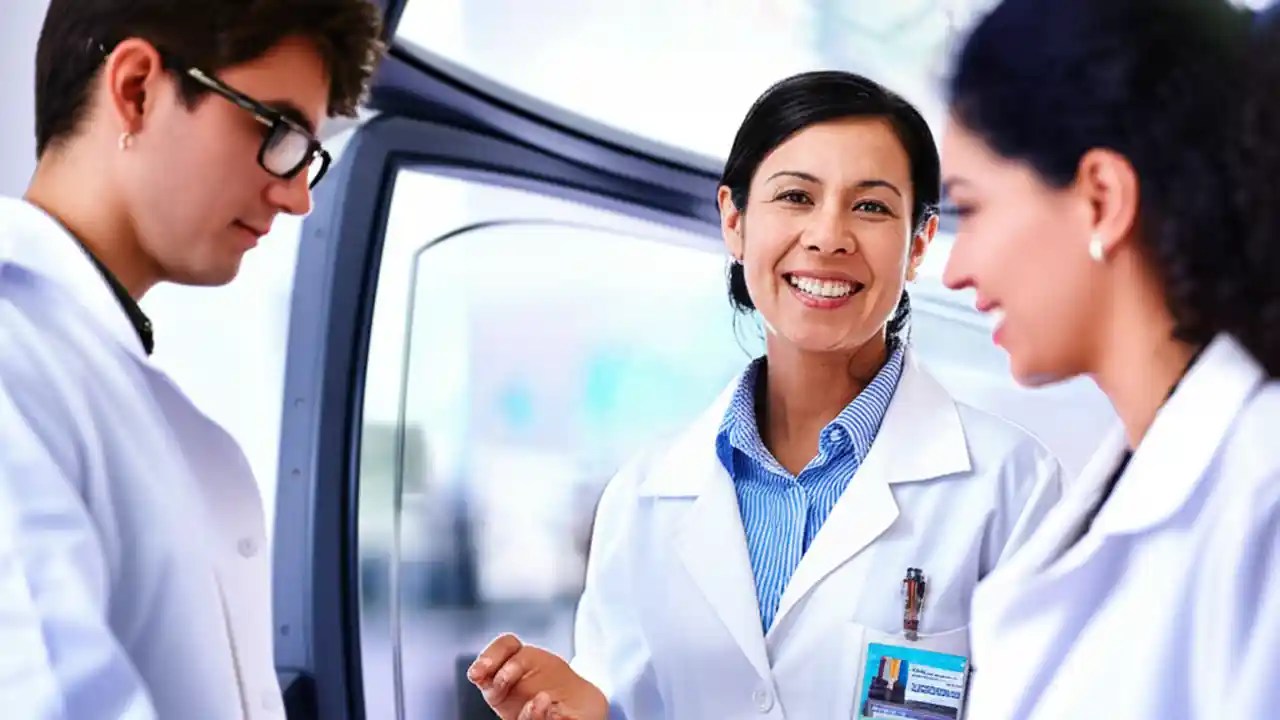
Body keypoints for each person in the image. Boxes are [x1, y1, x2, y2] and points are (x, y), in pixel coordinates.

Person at [467, 71, 1065, 720]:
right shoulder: (641, 499)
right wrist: (587, 709)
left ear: (918, 243)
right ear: (735, 220)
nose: (829, 236)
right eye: (796, 197)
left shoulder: (1013, 487)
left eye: (871, 206)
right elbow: (628, 699)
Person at [0, 1, 383, 717]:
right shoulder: (14, 357)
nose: (297, 195)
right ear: (138, 88)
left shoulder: (154, 412)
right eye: (276, 130)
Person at [939, 0, 1280, 716]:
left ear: (1101, 198)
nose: (955, 268)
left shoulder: (1262, 488)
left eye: (970, 210)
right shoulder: (1139, 470)